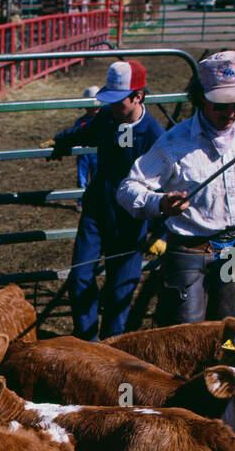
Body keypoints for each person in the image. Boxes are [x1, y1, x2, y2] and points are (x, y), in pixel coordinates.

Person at [116, 50, 235, 325]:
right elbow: (128, 188)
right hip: (187, 250)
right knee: (185, 331)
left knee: (230, 328)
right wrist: (159, 203)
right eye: (220, 104)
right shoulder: (174, 142)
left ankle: (226, 365)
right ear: (200, 98)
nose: (231, 113)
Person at [49, 60, 164, 340]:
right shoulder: (107, 119)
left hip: (131, 218)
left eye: (117, 101)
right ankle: (87, 340)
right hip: (97, 210)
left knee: (121, 286)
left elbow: (169, 185)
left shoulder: (155, 135)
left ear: (138, 97)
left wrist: (159, 232)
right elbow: (82, 132)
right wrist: (60, 141)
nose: (111, 106)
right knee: (80, 277)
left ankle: (112, 344)